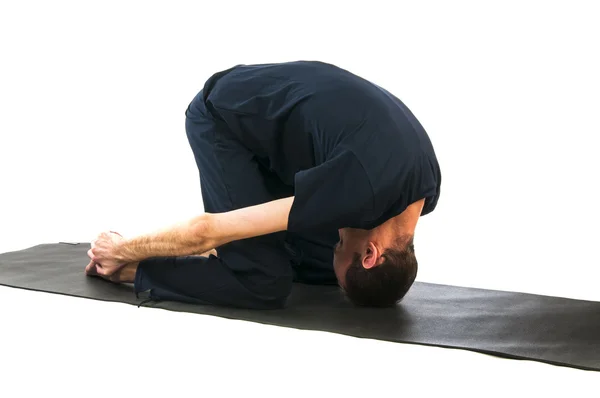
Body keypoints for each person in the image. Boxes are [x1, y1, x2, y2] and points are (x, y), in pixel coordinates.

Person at [85, 61, 441, 309]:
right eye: (340, 248)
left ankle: (244, 254)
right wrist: (125, 249)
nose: (337, 243)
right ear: (370, 255)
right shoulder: (356, 190)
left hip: (288, 128)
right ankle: (132, 273)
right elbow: (206, 230)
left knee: (316, 267)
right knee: (263, 283)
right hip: (226, 118)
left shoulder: (424, 191)